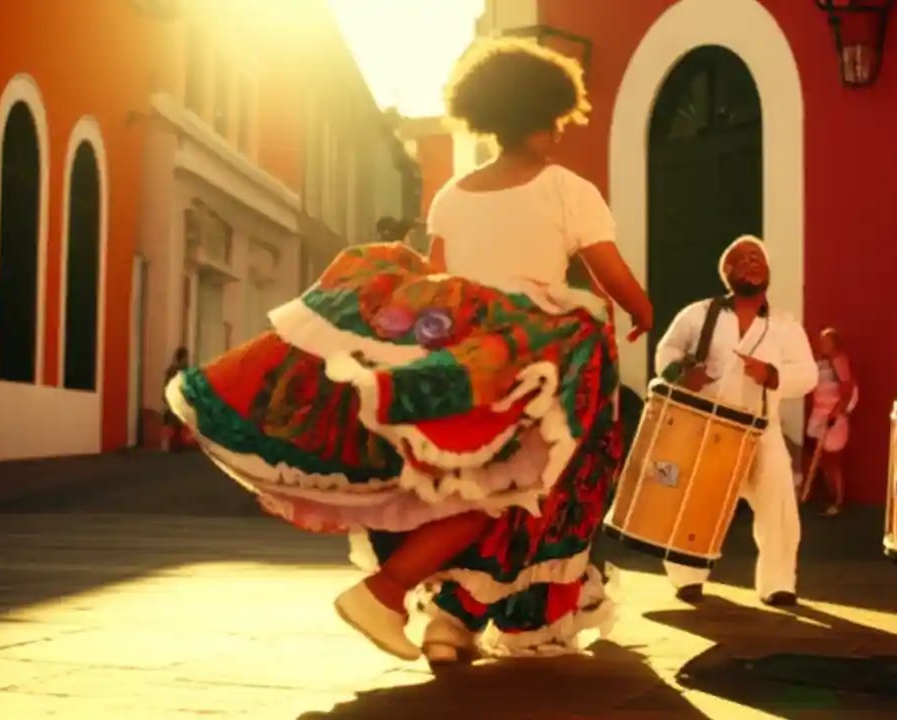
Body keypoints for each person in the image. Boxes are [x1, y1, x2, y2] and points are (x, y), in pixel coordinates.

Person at [165, 37, 653, 663]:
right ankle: (387, 593)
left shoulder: (451, 195)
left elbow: (441, 289)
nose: (559, 130)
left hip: (462, 361)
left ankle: (450, 622)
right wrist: (641, 308)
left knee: (458, 489)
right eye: (557, 119)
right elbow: (609, 274)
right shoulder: (566, 188)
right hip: (539, 365)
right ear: (544, 115)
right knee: (521, 493)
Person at [653, 236, 818, 607]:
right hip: (704, 428)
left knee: (778, 506)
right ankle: (687, 577)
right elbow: (667, 351)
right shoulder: (698, 314)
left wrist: (772, 375)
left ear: (768, 270)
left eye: (757, 256)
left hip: (762, 429)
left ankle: (778, 584)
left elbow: (808, 374)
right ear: (726, 274)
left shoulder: (785, 324)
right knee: (694, 503)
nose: (751, 262)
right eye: (740, 259)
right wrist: (680, 373)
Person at [799, 328, 857, 516]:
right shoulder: (821, 361)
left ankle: (838, 501)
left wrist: (836, 413)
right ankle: (825, 496)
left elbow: (848, 388)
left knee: (833, 461)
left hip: (832, 417)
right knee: (818, 458)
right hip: (818, 415)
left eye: (826, 341)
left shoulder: (839, 360)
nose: (822, 345)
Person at [162, 347, 190, 452]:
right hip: (180, 400)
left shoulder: (171, 370)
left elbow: (166, 386)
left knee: (174, 424)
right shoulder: (184, 371)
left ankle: (172, 446)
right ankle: (178, 446)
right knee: (178, 424)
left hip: (173, 399)